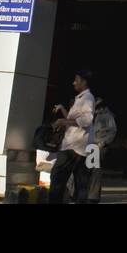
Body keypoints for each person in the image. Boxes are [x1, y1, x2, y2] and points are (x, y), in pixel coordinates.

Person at [48, 70, 95, 204]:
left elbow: (87, 120)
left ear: (84, 82)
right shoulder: (81, 98)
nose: (73, 83)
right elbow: (72, 119)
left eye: (76, 80)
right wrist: (63, 111)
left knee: (57, 178)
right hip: (80, 146)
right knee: (81, 184)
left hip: (73, 146)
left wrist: (63, 122)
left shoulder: (87, 98)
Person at [81, 96, 117, 204]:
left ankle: (93, 197)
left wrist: (103, 143)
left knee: (95, 170)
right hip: (91, 144)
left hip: (99, 145)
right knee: (89, 169)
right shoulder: (92, 115)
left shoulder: (107, 116)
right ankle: (89, 195)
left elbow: (113, 131)